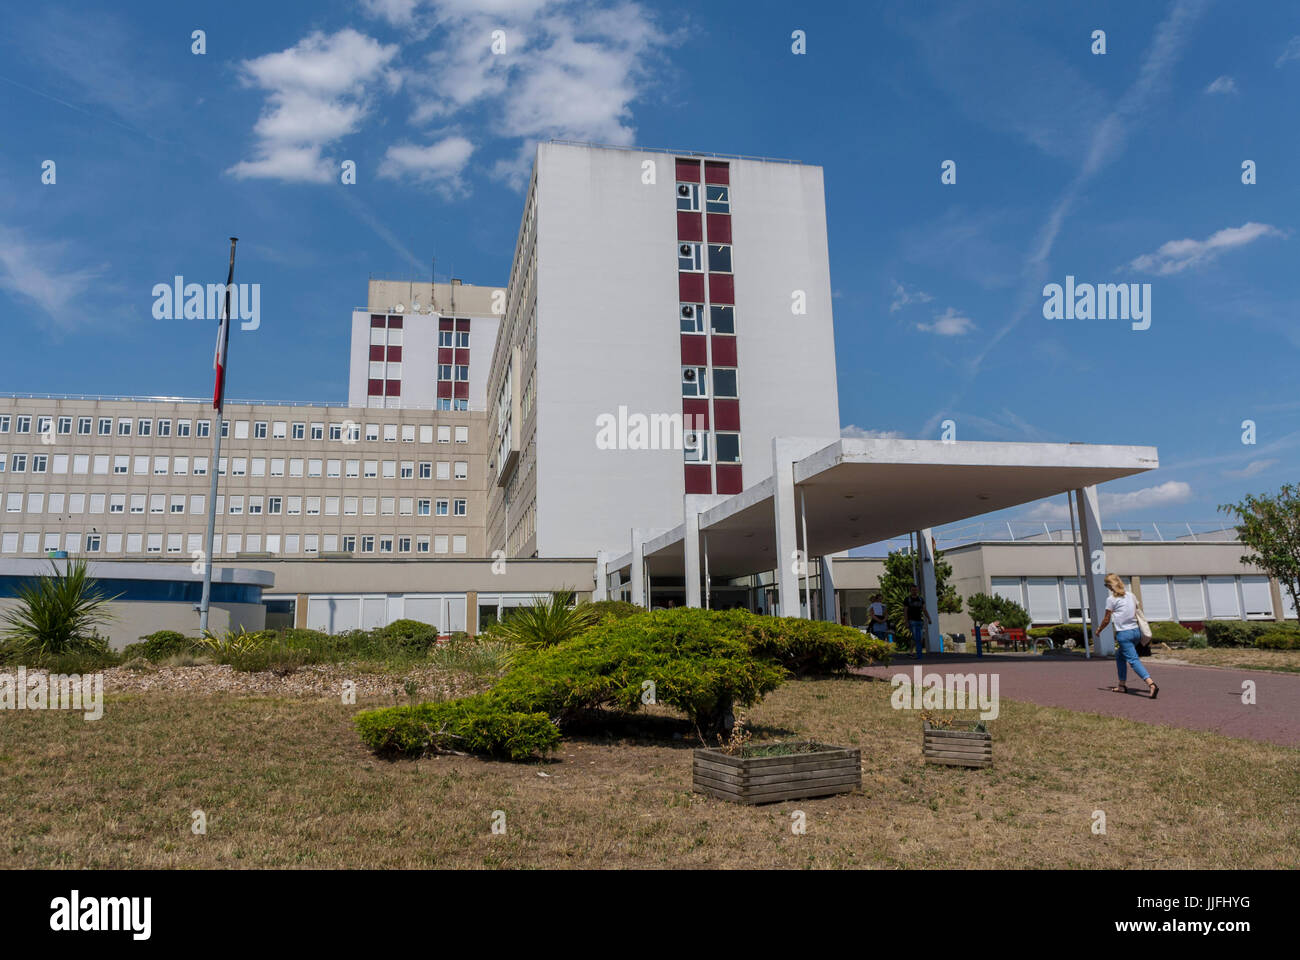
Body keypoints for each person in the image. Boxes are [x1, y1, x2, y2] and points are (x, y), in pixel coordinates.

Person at [1097, 573, 1159, 698]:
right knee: (1120, 656)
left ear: (1110, 585)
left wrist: (1099, 630)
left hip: (1124, 634)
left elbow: (1106, 619)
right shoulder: (1131, 595)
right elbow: (1136, 610)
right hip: (1136, 632)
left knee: (1133, 660)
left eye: (1106, 585)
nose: (1106, 587)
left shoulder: (1111, 600)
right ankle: (1122, 685)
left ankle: (1151, 684)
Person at [904, 584, 930, 658]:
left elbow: (924, 610)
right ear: (910, 591)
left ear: (917, 590)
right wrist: (906, 622)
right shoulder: (907, 599)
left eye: (915, 590)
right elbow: (905, 611)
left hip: (920, 621)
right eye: (912, 590)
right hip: (912, 621)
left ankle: (911, 652)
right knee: (917, 637)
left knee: (918, 637)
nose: (914, 591)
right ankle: (919, 655)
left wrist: (929, 618)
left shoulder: (921, 599)